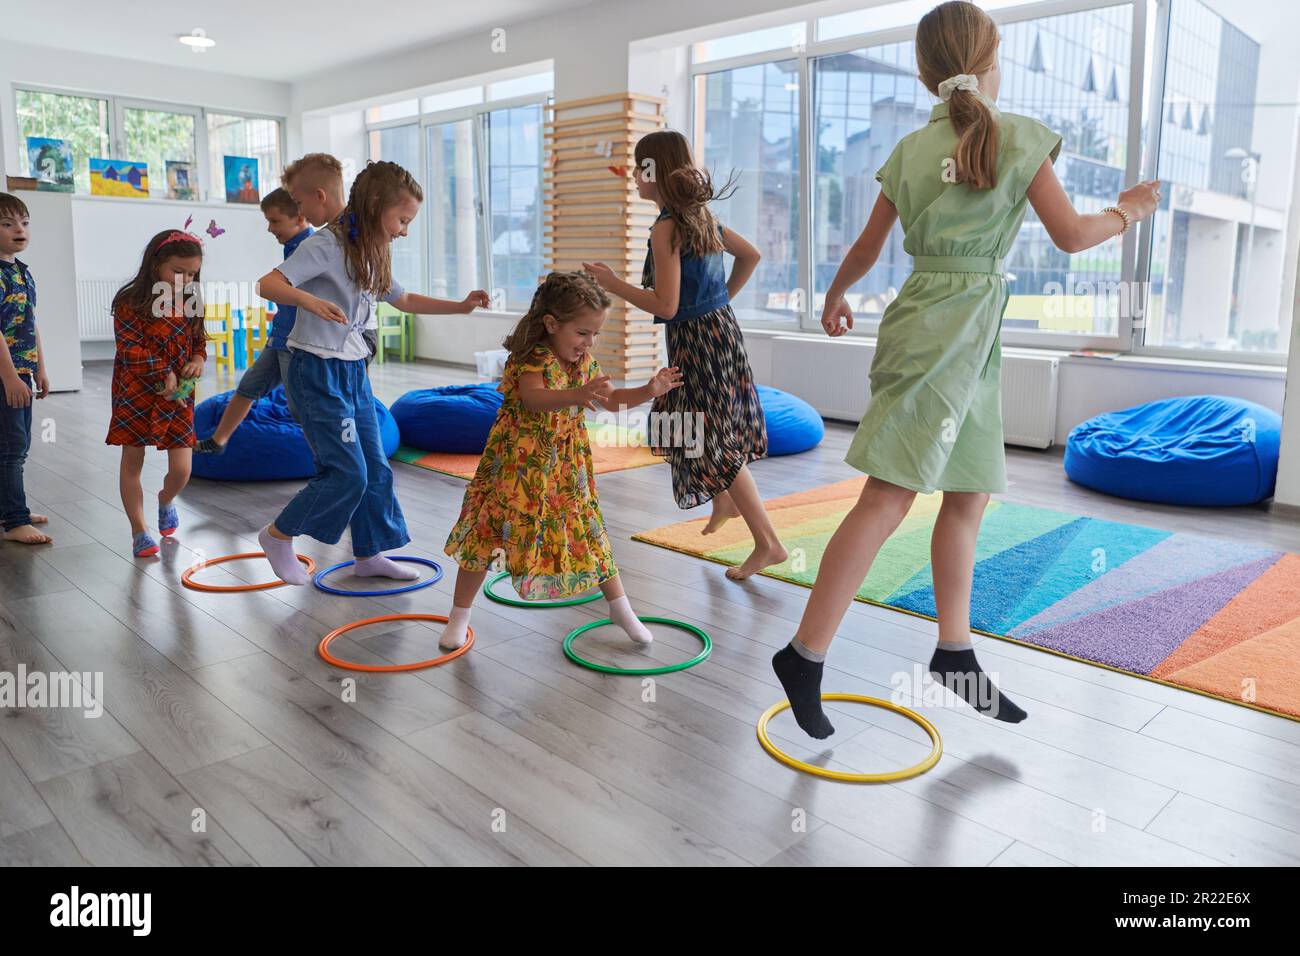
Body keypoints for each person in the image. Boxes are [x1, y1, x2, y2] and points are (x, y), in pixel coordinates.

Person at [772, 0, 1161, 738]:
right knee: (887, 497)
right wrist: (1130, 210)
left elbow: (864, 246)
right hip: (947, 331)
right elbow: (1075, 237)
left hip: (954, 327)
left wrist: (834, 292)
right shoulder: (1019, 136)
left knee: (969, 493)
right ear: (990, 61)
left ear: (925, 73)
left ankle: (955, 654)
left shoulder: (913, 150)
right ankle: (804, 652)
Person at [440, 271, 683, 650]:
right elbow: (532, 398)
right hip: (517, 467)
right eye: (582, 333)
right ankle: (458, 616)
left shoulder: (584, 362)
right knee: (486, 534)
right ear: (552, 324)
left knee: (591, 532)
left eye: (595, 334)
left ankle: (620, 608)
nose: (590, 342)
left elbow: (611, 399)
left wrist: (649, 390)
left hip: (565, 468)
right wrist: (576, 393)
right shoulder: (533, 356)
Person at [105, 229, 207, 557]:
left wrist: (196, 359)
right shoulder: (130, 301)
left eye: (192, 273)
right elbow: (129, 347)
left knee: (182, 469)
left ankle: (165, 499)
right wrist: (163, 371)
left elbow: (199, 342)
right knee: (132, 459)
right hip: (136, 391)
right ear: (155, 265)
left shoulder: (192, 300)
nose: (185, 279)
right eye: (178, 272)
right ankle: (139, 530)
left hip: (178, 397)